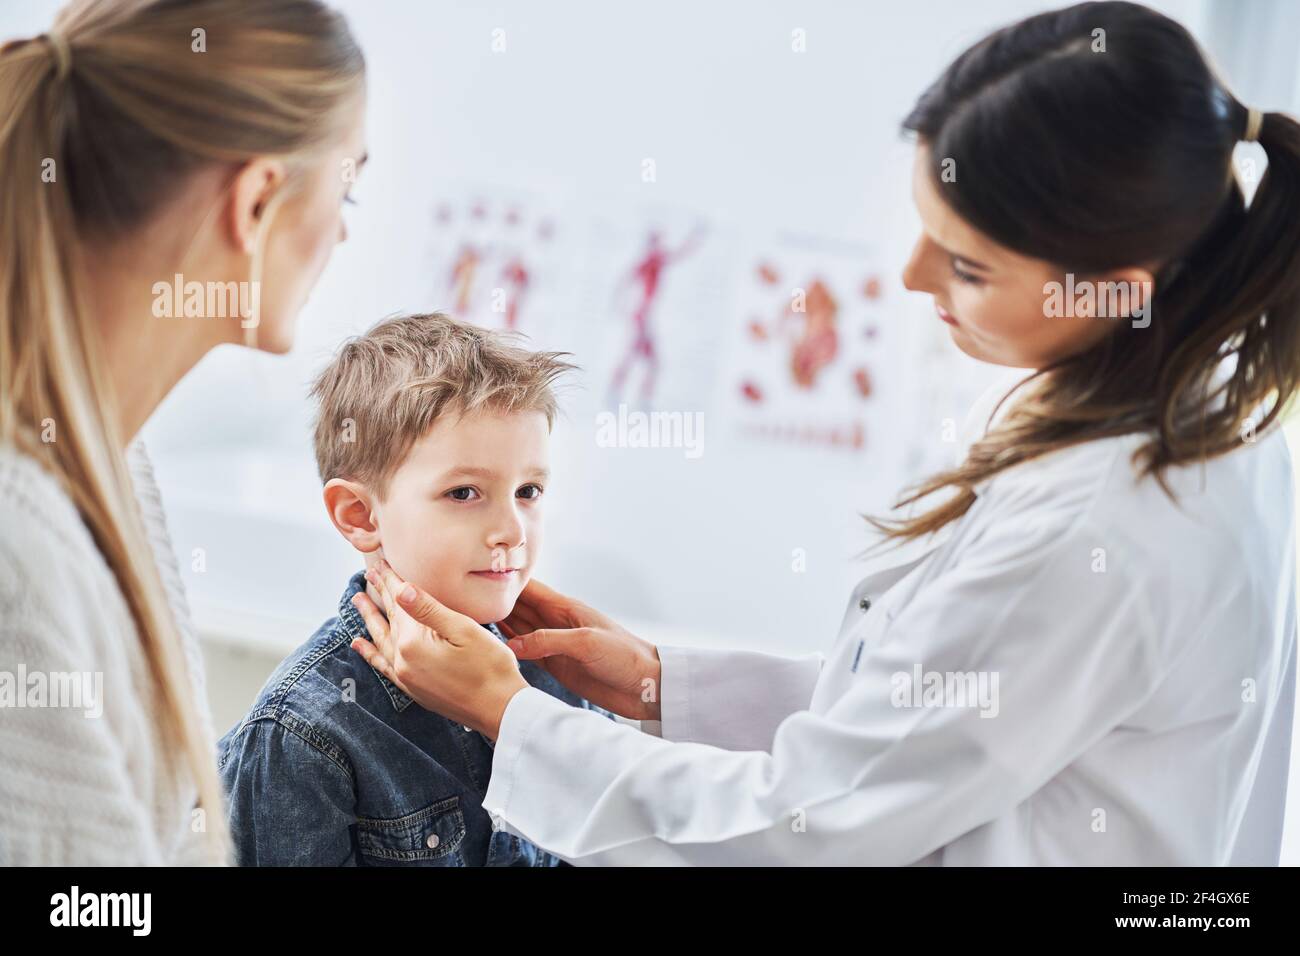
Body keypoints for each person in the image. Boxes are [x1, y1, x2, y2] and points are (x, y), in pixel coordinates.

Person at [350, 1, 1299, 865]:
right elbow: (930, 721)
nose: (912, 278)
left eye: (967, 265)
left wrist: (509, 715)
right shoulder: (1148, 410)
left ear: (1115, 290)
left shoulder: (1107, 522)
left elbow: (815, 824)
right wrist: (655, 686)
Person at [0, 0, 367, 864]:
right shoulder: (20, 546)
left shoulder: (111, 462)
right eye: (347, 187)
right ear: (258, 200)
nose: (346, 227)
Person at [218, 313, 611, 866]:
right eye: (464, 493)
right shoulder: (303, 732)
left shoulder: (563, 675)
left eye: (529, 490)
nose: (512, 531)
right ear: (360, 515)